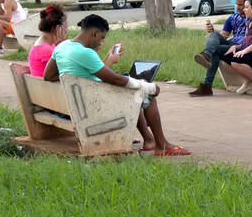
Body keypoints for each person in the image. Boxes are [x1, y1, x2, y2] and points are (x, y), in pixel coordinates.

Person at [44, 13, 190, 155]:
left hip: (77, 104)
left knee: (133, 92)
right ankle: (161, 144)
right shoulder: (85, 53)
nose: (101, 42)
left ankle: (149, 140)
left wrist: (73, 77)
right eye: (101, 37)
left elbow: (48, 76)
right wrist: (149, 86)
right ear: (94, 33)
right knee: (144, 94)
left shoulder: (62, 47)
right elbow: (116, 80)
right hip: (92, 108)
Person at [190, 0, 252, 96]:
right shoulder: (232, 18)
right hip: (231, 46)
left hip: (245, 48)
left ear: (248, 3)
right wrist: (212, 32)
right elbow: (222, 37)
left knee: (216, 50)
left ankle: (207, 86)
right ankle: (206, 55)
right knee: (214, 36)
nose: (237, 7)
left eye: (241, 5)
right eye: (236, 4)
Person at [28, 5, 69, 77]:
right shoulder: (46, 50)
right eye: (66, 26)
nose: (67, 30)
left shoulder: (43, 44)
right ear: (57, 28)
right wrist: (61, 47)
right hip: (49, 87)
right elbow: (66, 69)